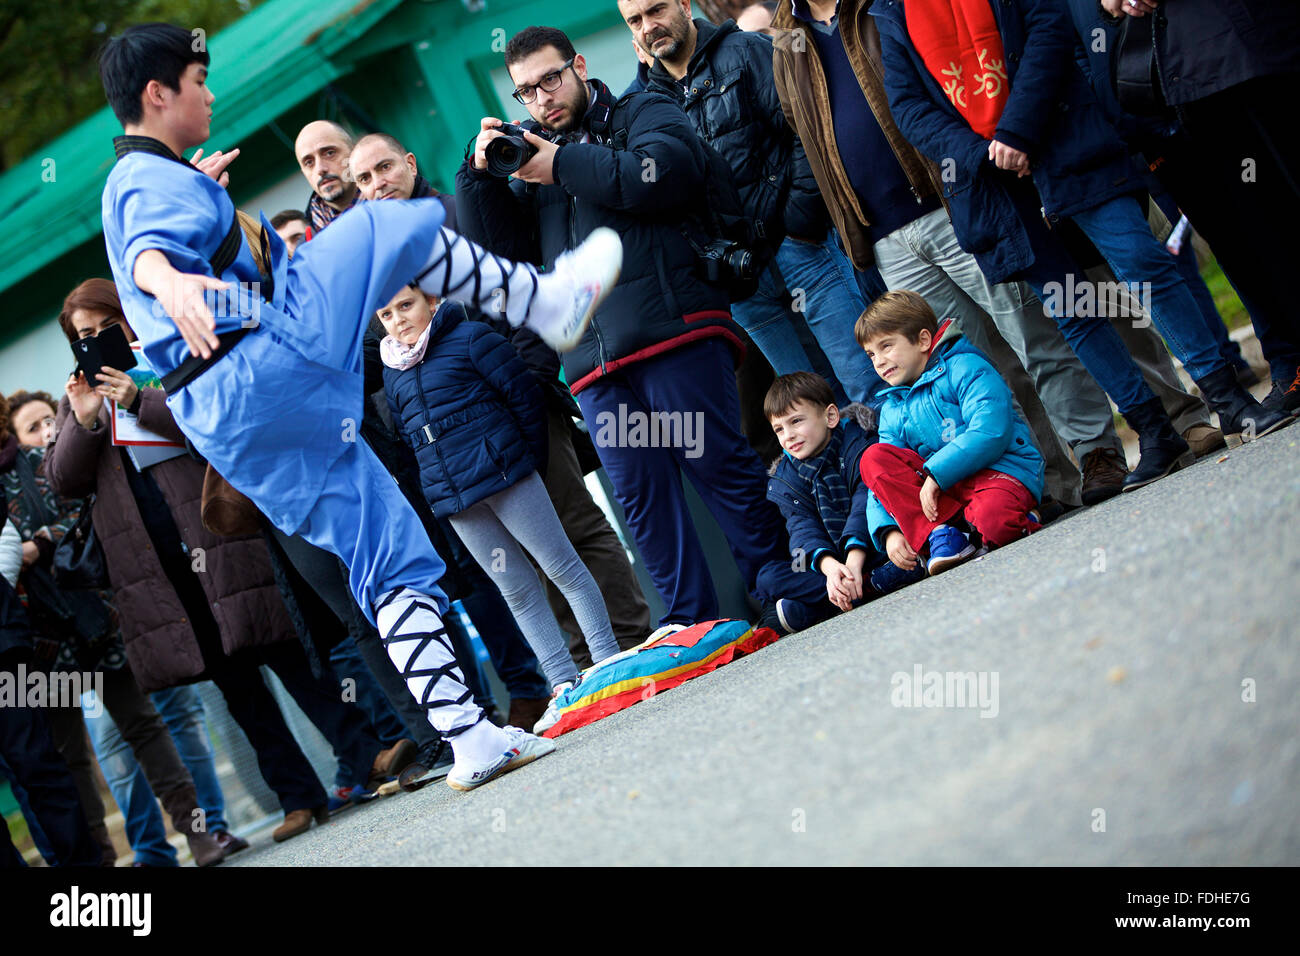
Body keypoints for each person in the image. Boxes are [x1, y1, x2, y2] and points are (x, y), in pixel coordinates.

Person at [98, 23, 619, 789]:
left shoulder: (168, 180)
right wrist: (168, 282)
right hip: (258, 367)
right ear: (157, 93)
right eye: (198, 82)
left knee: (387, 556)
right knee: (381, 222)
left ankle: (468, 735)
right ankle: (546, 304)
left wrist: (202, 212)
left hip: (241, 420)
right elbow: (148, 254)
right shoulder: (140, 181)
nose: (210, 94)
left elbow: (170, 244)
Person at [769, 0, 1224, 506]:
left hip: (954, 195)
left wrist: (985, 151)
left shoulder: (874, 8)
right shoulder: (786, 37)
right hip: (890, 234)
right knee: (979, 363)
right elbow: (808, 134)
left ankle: (1124, 441)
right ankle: (1047, 481)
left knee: (1045, 330)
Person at [456, 25, 811, 633]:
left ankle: (783, 586)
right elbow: (502, 252)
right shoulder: (536, 158)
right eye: (526, 92)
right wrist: (479, 175)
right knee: (644, 501)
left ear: (578, 66)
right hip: (594, 365)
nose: (542, 97)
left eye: (550, 78)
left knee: (721, 467)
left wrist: (561, 163)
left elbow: (664, 175)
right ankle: (692, 625)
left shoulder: (641, 108)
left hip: (674, 331)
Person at [871, 0, 1293, 489]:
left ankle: (1229, 401)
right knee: (1074, 310)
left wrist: (1016, 132)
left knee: (1142, 264)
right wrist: (983, 153)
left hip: (1067, 139)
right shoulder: (889, 12)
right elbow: (906, 104)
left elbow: (1048, 30)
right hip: (991, 181)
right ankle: (1156, 434)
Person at [47, 278, 409, 839]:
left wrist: (136, 398)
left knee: (291, 657)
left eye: (104, 327)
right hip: (157, 567)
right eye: (84, 336)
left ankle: (367, 755)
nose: (96, 342)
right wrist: (86, 416)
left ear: (127, 318)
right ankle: (297, 796)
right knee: (236, 688)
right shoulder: (76, 395)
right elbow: (63, 479)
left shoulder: (168, 352)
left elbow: (207, 422)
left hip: (217, 536)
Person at [351, 130, 652, 669]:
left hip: (520, 399)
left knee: (574, 527)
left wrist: (532, 380)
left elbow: (517, 284)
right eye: (365, 179)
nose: (377, 184)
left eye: (384, 168)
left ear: (411, 162)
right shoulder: (377, 263)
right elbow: (378, 350)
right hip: (464, 439)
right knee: (527, 563)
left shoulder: (460, 211)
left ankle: (631, 642)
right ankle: (586, 666)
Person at [378, 286, 621, 733]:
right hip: (459, 503)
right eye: (387, 313)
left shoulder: (472, 338)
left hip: (509, 477)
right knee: (517, 591)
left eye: (406, 306)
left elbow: (524, 398)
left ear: (430, 301)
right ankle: (563, 684)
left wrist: (521, 461)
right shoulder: (392, 372)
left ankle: (607, 664)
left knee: (562, 566)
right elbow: (409, 442)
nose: (398, 320)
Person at [0, 391, 224, 866]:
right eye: (28, 426)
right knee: (64, 754)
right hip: (40, 639)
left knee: (144, 726)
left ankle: (200, 833)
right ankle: (97, 860)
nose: (38, 433)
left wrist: (41, 541)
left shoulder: (42, 462)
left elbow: (80, 509)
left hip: (95, 615)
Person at [631, 0, 876, 406]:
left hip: (801, 250)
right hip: (740, 280)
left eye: (656, 10)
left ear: (683, 6)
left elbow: (804, 130)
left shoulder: (747, 50)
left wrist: (801, 225)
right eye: (635, 21)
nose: (648, 26)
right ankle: (852, 472)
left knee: (867, 385)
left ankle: (908, 469)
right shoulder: (643, 106)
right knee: (808, 409)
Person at [1099, 0, 1300, 415]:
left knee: (1275, 213)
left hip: (1245, 58)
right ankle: (1288, 361)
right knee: (1242, 237)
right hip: (1177, 85)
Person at [857, 291, 1043, 575]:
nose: (879, 361)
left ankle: (1014, 519)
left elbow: (990, 431)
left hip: (999, 471)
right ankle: (947, 534)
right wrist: (888, 530)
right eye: (871, 354)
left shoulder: (965, 366)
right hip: (944, 494)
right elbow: (880, 483)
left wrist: (935, 474)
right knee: (873, 458)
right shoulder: (893, 406)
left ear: (922, 340)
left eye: (886, 346)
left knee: (995, 522)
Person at [764, 371, 923, 632]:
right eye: (779, 429)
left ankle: (831, 600)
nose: (788, 435)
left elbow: (864, 504)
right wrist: (829, 567)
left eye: (796, 421)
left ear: (830, 416)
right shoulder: (787, 477)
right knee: (768, 577)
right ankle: (866, 585)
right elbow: (801, 528)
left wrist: (853, 560)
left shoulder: (858, 445)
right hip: (834, 562)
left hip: (873, 544)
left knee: (907, 538)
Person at [296, 120, 361, 232]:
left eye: (329, 153)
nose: (320, 169)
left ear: (354, 153)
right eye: (309, 162)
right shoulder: (305, 245)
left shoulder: (394, 200)